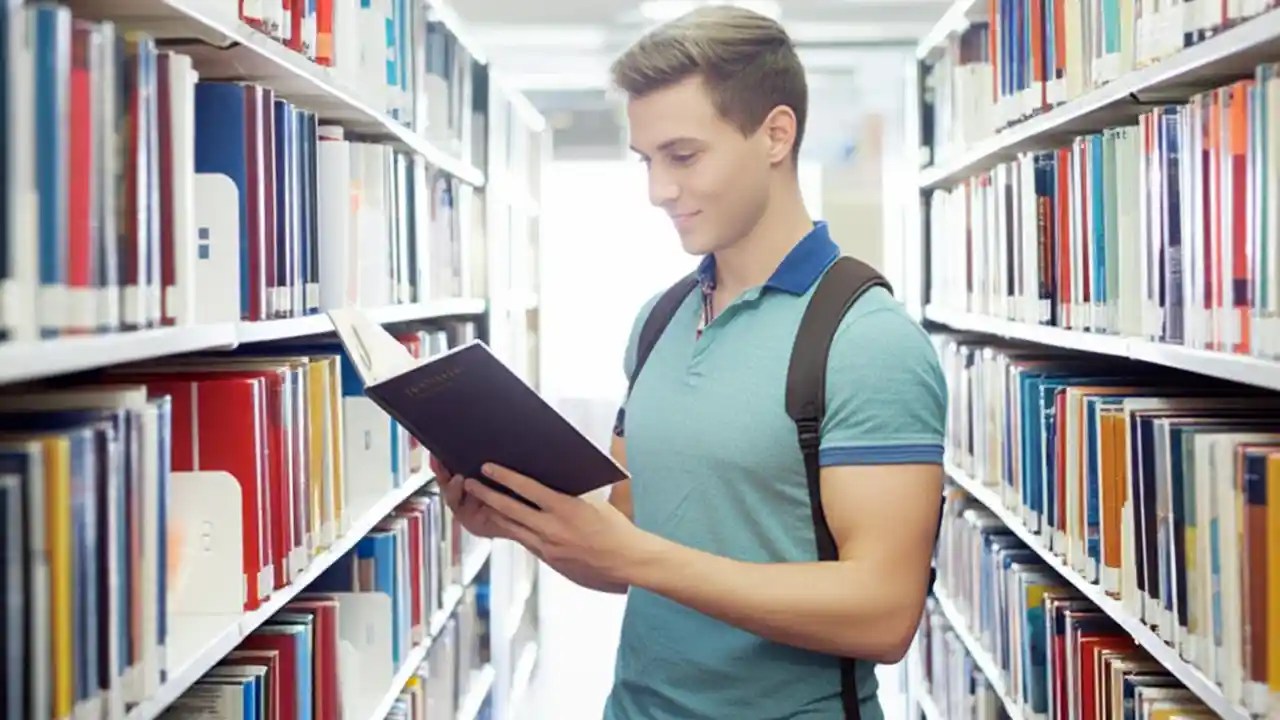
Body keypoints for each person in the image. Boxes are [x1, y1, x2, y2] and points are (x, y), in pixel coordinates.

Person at [428, 5, 947, 719]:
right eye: (647, 161)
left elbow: (885, 613)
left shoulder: (866, 340)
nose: (657, 191)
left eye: (684, 155)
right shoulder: (658, 322)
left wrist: (636, 558)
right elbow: (626, 549)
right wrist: (523, 522)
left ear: (775, 134)